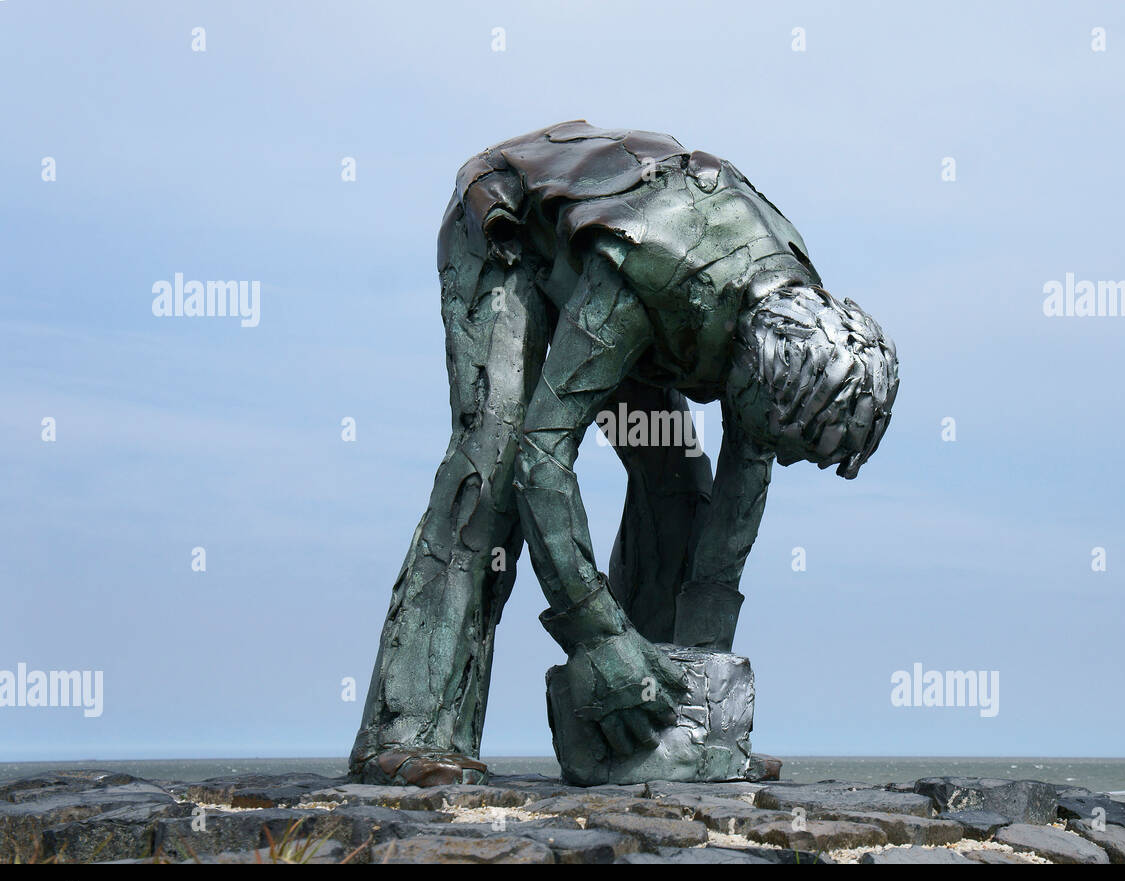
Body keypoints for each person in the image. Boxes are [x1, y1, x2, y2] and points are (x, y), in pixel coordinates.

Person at [350, 121, 899, 785]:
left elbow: (734, 506)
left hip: (641, 295)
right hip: (514, 233)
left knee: (678, 491)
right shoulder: (658, 268)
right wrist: (600, 636)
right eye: (779, 441)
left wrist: (708, 698)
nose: (774, 458)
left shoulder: (792, 325)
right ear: (752, 374)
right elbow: (543, 450)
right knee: (492, 463)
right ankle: (407, 730)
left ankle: (651, 728)